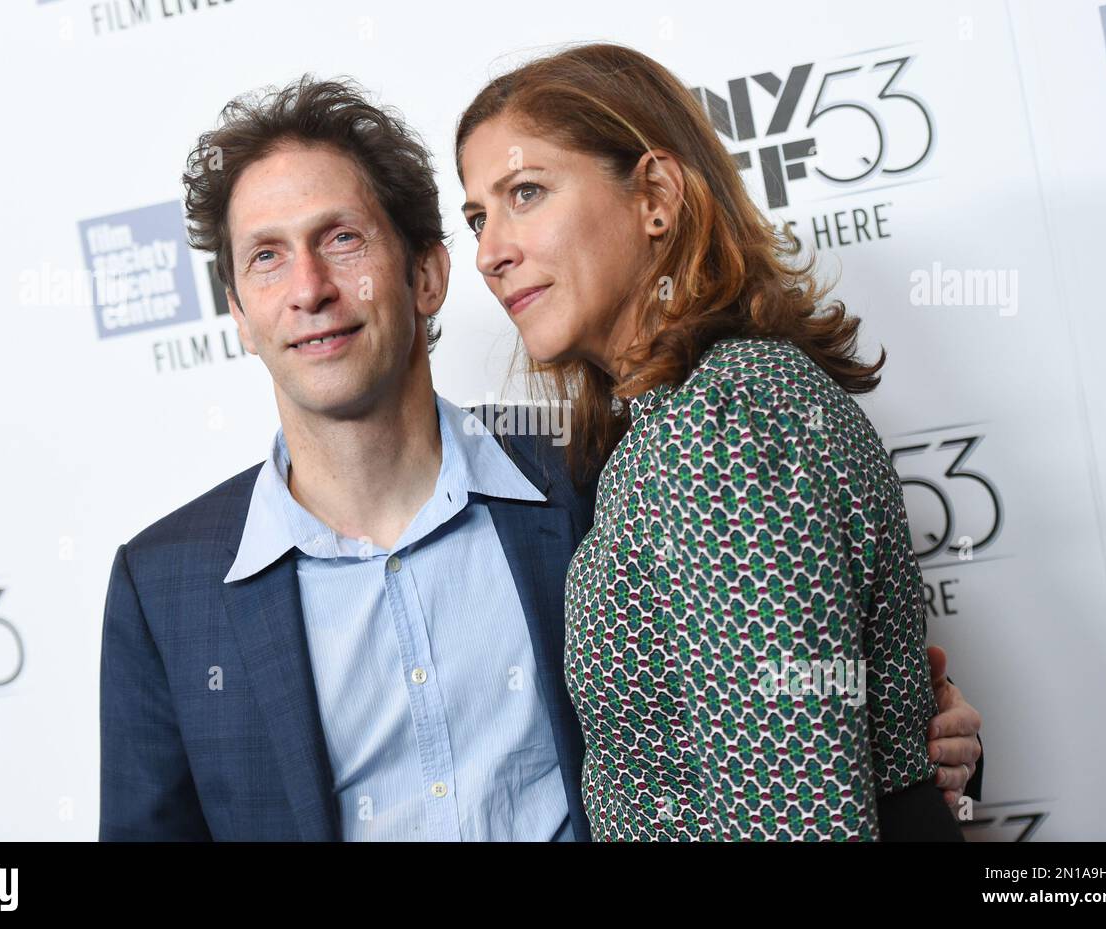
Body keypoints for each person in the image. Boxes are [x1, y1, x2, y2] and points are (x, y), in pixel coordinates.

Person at [99, 74, 982, 842]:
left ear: (428, 277)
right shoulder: (164, 588)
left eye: (342, 238)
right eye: (265, 257)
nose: (308, 289)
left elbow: (793, 734)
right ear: (239, 315)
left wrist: (918, 752)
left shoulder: (595, 476)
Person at [456, 42, 978, 839]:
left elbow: (800, 817)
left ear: (657, 196)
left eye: (526, 192)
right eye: (478, 217)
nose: (492, 252)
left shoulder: (720, 427)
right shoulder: (682, 421)